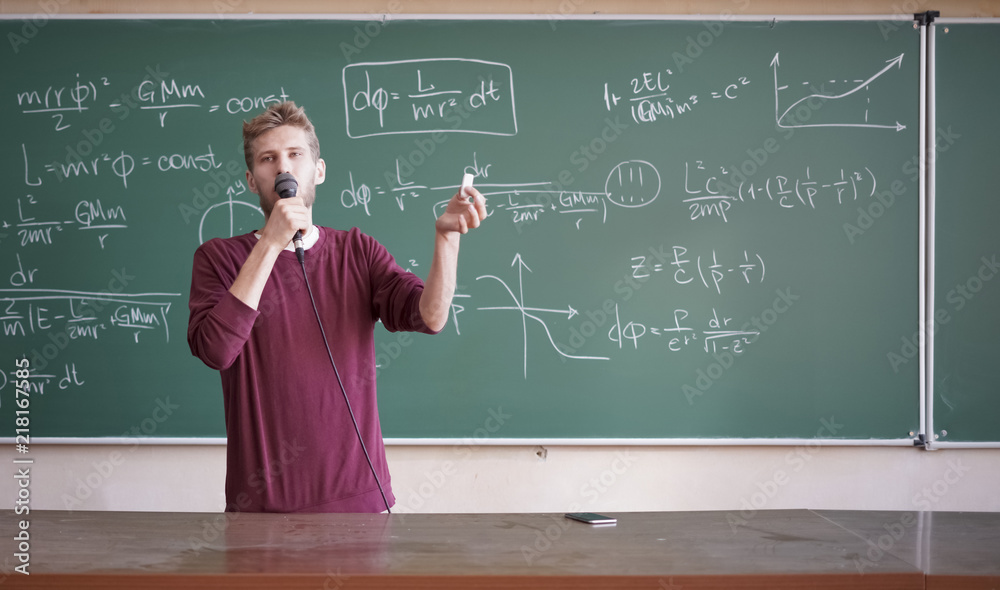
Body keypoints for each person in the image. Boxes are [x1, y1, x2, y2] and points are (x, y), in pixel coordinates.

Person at [187, 101, 486, 513]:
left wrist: (447, 239)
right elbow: (216, 350)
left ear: (319, 170)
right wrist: (272, 243)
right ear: (251, 181)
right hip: (261, 508)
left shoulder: (358, 251)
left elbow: (430, 316)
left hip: (360, 501)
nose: (283, 169)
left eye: (296, 155)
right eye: (268, 159)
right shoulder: (218, 258)